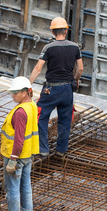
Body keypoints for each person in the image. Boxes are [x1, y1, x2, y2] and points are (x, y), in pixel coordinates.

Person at [29, 16, 83, 156]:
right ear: (65, 31)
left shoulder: (48, 48)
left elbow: (38, 68)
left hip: (51, 89)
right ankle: (61, 150)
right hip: (67, 89)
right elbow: (81, 68)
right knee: (65, 120)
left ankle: (43, 150)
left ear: (53, 32)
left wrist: (28, 84)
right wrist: (75, 79)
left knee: (40, 117)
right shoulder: (75, 47)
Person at [0, 76, 39, 211]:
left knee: (13, 188)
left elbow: (19, 139)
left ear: (24, 92)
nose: (12, 96)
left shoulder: (20, 112)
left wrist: (13, 160)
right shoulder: (31, 105)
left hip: (17, 156)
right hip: (28, 154)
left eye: (15, 93)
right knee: (26, 184)